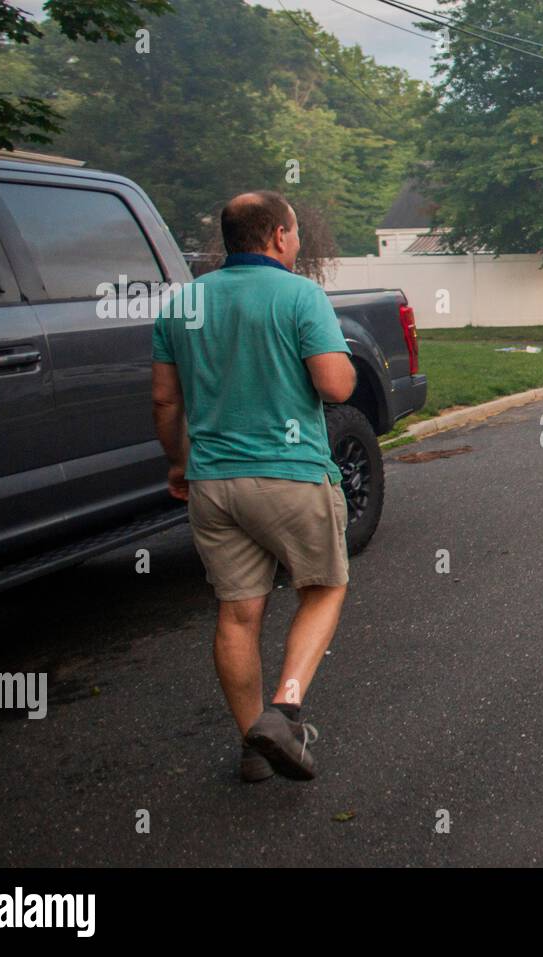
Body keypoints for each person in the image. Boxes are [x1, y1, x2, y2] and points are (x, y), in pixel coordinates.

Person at [151, 191, 355, 783]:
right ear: (279, 236)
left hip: (212, 482)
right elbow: (336, 386)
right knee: (324, 587)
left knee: (238, 614)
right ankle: (284, 711)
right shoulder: (300, 295)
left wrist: (177, 463)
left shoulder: (182, 303)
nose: (298, 240)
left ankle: (252, 745)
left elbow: (165, 400)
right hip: (291, 475)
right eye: (295, 231)